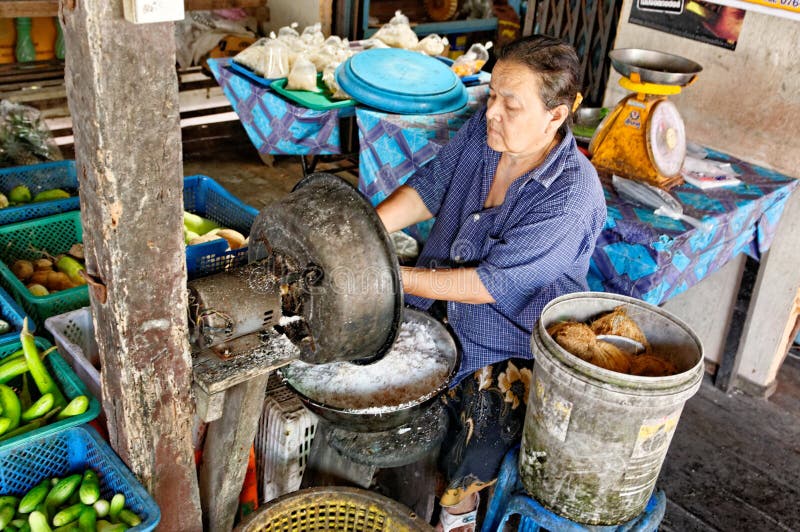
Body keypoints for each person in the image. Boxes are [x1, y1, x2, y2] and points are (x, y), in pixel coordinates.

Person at [376, 34, 606, 532]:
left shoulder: (570, 194)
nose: (492, 113)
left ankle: (454, 517)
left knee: (474, 441)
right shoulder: (485, 137)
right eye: (492, 96)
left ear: (556, 116)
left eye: (511, 104)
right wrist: (367, 234)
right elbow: (430, 189)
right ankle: (388, 489)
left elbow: (487, 286)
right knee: (370, 381)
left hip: (506, 337)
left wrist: (386, 275)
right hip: (431, 302)